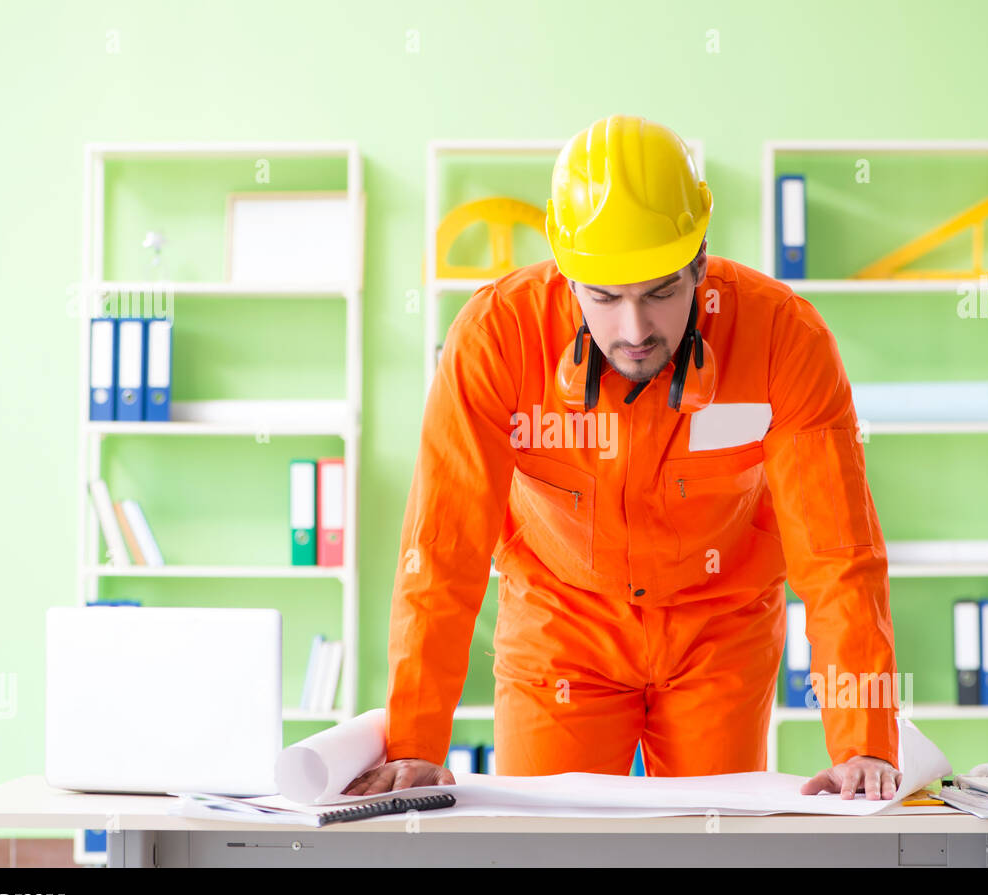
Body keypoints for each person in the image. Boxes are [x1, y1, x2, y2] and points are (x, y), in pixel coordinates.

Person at [346, 114, 902, 801]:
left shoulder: (785, 339)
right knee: (549, 850)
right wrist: (414, 743)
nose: (634, 330)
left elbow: (838, 553)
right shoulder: (496, 338)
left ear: (700, 258)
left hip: (720, 628)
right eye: (605, 298)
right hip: (561, 626)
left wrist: (864, 743)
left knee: (711, 845)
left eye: (661, 292)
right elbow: (443, 549)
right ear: (566, 274)